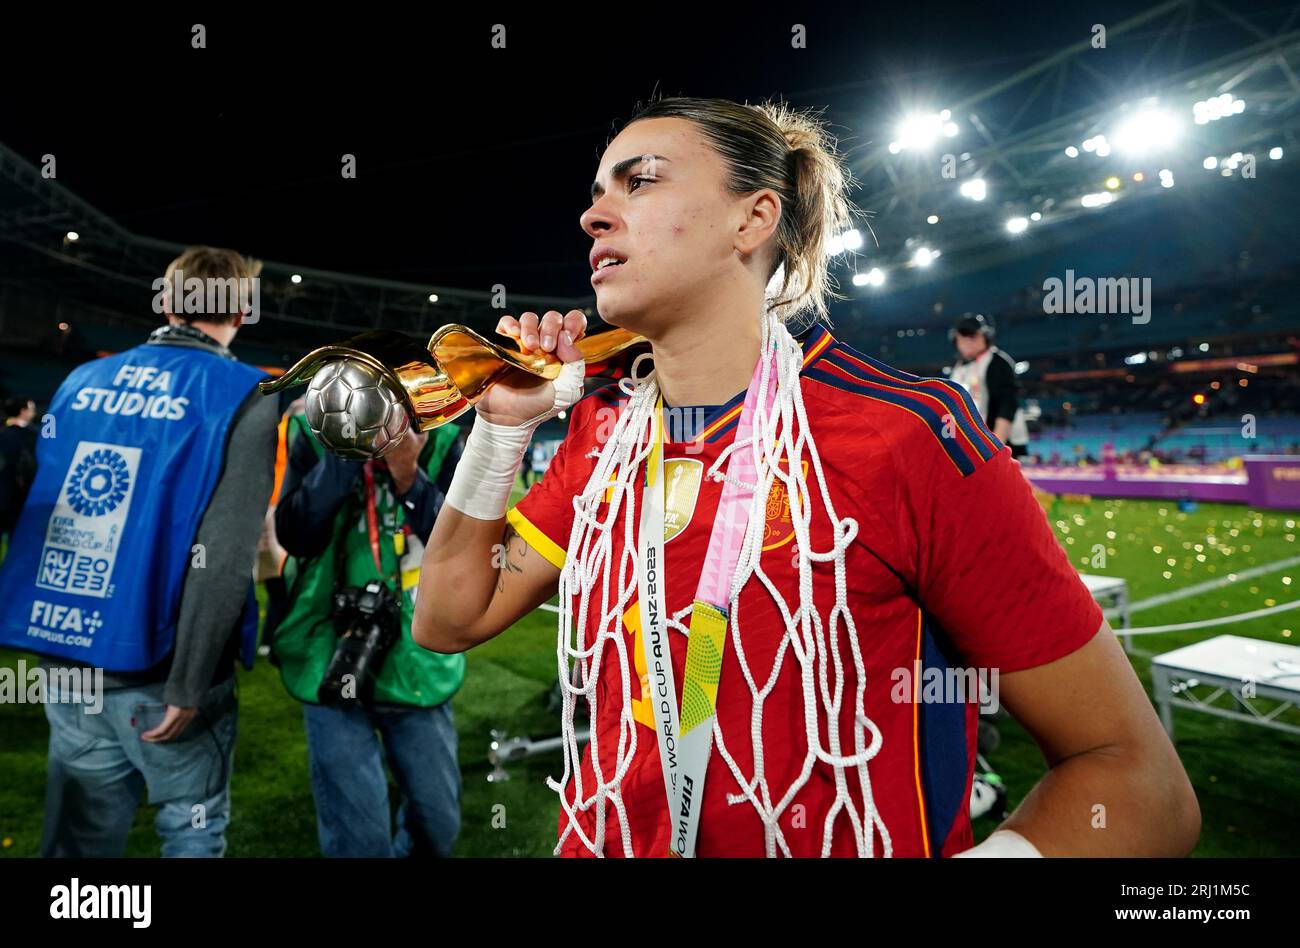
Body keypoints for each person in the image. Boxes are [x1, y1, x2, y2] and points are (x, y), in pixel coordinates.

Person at [411, 96, 1200, 858]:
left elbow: (1136, 780)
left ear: (753, 219)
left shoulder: (908, 437)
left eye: (639, 180)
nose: (593, 214)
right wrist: (499, 433)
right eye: (596, 193)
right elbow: (446, 620)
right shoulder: (605, 433)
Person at [0, 246, 278, 857]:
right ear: (241, 308)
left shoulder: (81, 380)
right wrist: (191, 679)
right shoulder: (247, 394)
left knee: (77, 852)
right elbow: (225, 552)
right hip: (163, 667)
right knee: (189, 831)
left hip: (68, 656)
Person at [272, 405, 465, 858]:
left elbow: (460, 546)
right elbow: (295, 534)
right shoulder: (310, 431)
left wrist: (407, 476)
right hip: (328, 649)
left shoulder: (444, 438)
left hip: (418, 657)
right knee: (359, 841)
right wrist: (345, 453)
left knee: (438, 824)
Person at [948, 312, 1031, 459]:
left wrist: (996, 446)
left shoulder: (997, 362)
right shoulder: (958, 368)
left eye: (973, 337)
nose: (967, 343)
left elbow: (1007, 404)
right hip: (974, 443)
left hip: (1000, 443)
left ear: (985, 337)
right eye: (962, 338)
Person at [0, 396, 39, 553]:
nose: (34, 413)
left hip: (6, 492)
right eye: (31, 409)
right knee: (15, 537)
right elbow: (27, 464)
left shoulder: (3, 432)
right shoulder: (30, 435)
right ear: (23, 412)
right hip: (16, 494)